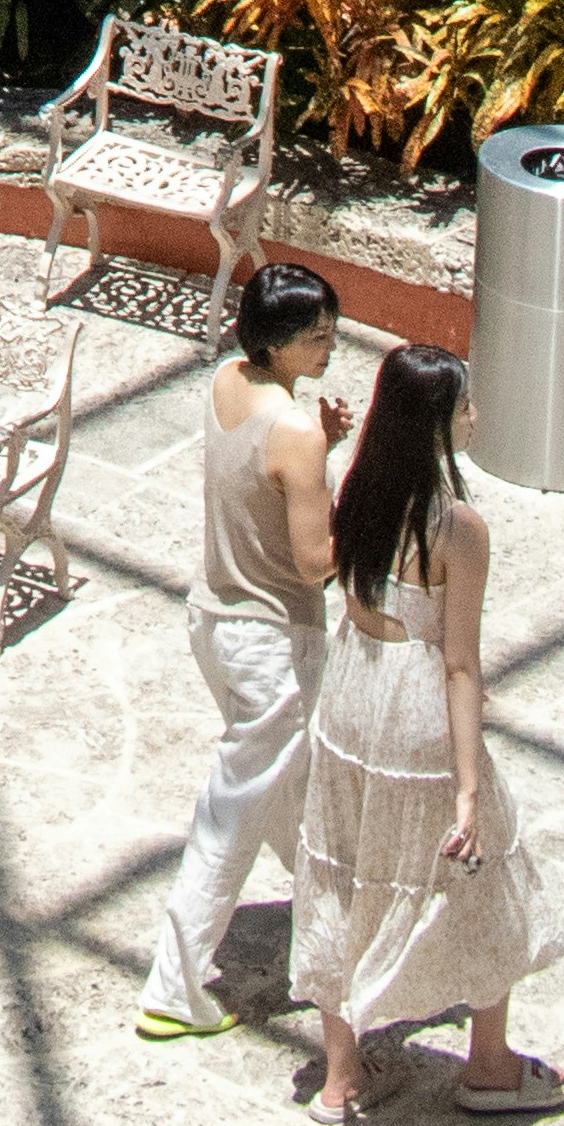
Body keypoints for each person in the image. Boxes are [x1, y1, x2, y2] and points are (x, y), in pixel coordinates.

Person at [295, 345, 562, 1126]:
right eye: (466, 406)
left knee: (344, 869)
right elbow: (459, 664)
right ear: (439, 425)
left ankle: (341, 1077)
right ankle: (489, 1066)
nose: (477, 415)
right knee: (482, 878)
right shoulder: (459, 528)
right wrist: (471, 788)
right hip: (413, 708)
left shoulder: (362, 489)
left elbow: (326, 572)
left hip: (351, 697)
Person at [138, 255, 346, 1041]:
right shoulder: (296, 431)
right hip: (270, 644)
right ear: (281, 342)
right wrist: (356, 495)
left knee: (290, 790)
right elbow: (316, 563)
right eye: (317, 337)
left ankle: (337, 922)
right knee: (231, 820)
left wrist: (317, 449)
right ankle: (173, 987)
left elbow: (262, 478)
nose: (330, 347)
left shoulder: (230, 379)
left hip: (214, 621)